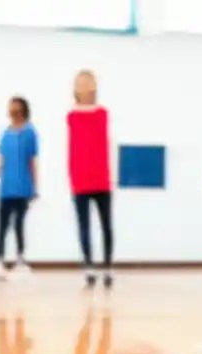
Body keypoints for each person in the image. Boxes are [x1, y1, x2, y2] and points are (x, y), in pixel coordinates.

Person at [0, 96, 38, 281]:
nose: (12, 111)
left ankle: (20, 260)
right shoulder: (5, 134)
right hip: (7, 188)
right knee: (2, 226)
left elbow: (32, 161)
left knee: (19, 224)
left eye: (16, 108)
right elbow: (1, 163)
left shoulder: (29, 132)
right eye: (10, 108)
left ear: (22, 110)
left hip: (23, 187)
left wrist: (35, 187)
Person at [68, 70, 114, 288]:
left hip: (101, 180)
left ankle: (107, 267)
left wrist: (89, 88)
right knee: (84, 226)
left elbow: (93, 111)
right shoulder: (72, 116)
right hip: (80, 181)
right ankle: (89, 266)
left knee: (106, 225)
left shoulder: (102, 113)